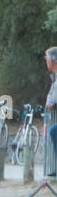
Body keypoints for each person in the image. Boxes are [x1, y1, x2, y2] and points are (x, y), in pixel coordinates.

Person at [44, 46, 57, 178]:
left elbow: (52, 101)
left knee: (54, 131)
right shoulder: (54, 78)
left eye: (47, 58)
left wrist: (51, 103)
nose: (46, 61)